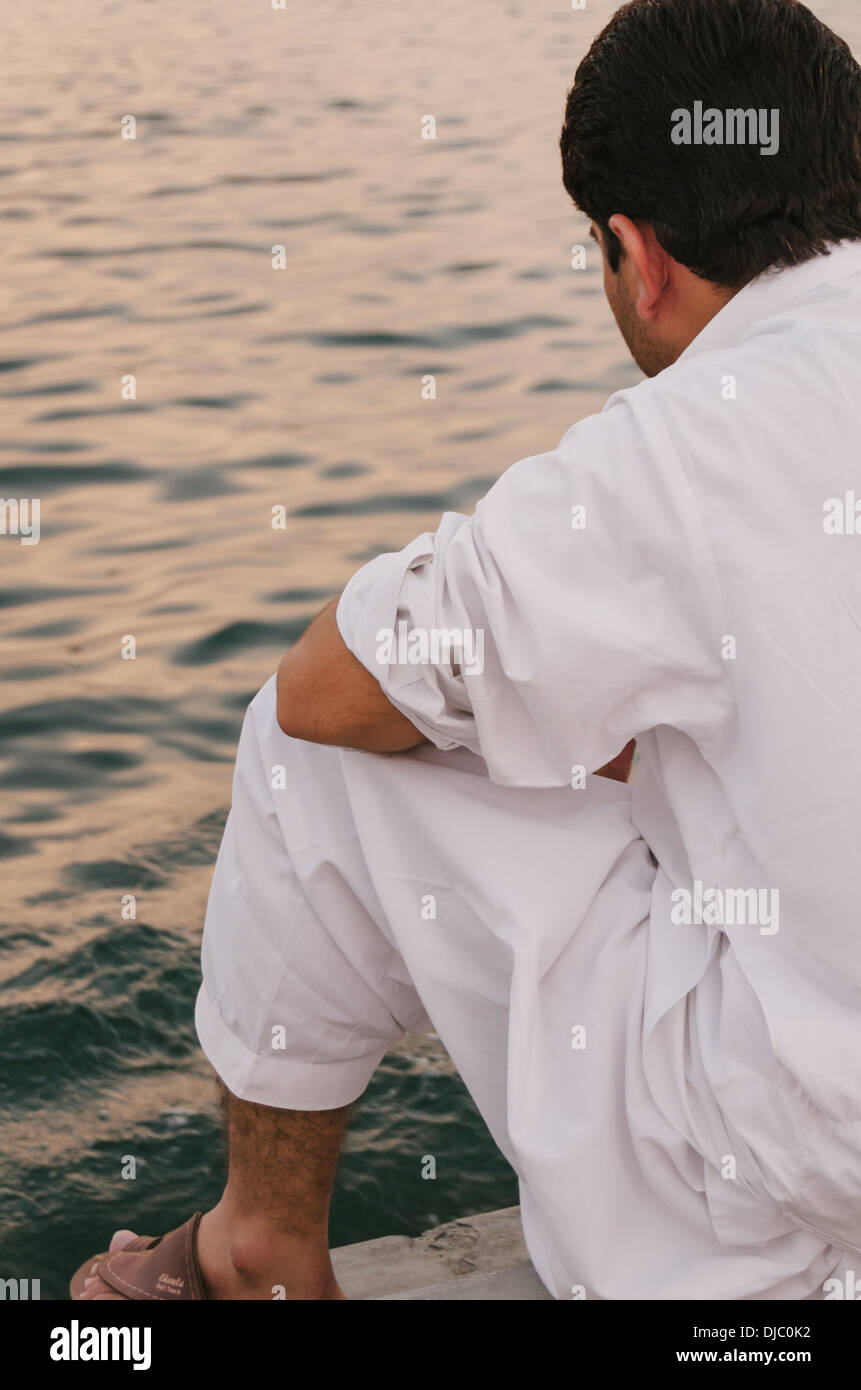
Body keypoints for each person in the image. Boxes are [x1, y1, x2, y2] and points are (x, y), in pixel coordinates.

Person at [72, 0, 861, 1301]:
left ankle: (252, 1246)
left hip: (808, 1145)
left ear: (635, 254)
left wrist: (566, 726)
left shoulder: (683, 447)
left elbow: (335, 686)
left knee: (306, 750)